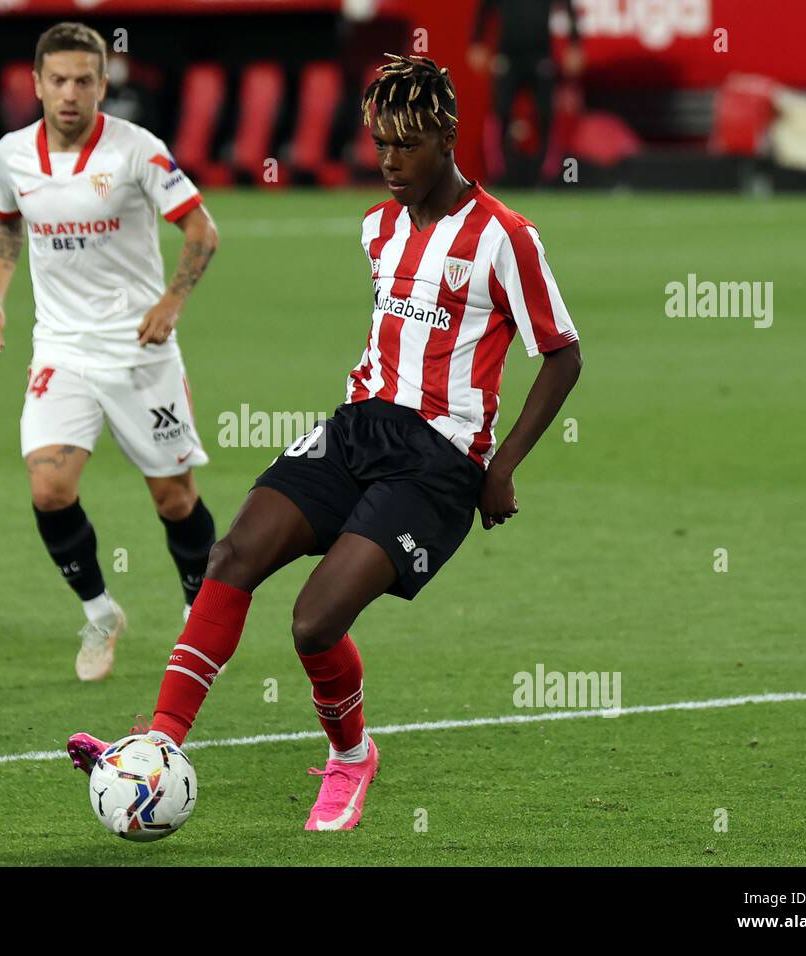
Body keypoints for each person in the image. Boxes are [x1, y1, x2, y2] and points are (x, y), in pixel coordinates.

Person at [67, 54, 583, 831]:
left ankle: (350, 758)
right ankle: (156, 746)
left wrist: (501, 466)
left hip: (439, 463)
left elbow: (563, 353)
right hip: (356, 429)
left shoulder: (506, 237)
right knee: (232, 555)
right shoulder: (377, 227)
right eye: (379, 144)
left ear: (446, 138)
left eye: (406, 145)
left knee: (313, 621)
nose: (389, 162)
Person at [0, 22, 221, 681]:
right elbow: (5, 224)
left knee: (173, 499)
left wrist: (172, 300)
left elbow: (202, 228)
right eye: (57, 80)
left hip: (141, 354)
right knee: (50, 488)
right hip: (62, 351)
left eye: (84, 80)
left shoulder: (137, 150)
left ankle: (202, 617)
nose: (70, 93)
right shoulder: (10, 156)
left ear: (102, 84)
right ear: (36, 84)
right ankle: (100, 612)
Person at [468, 0, 583, 186]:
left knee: (546, 114)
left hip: (541, 55)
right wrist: (477, 42)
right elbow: (484, 9)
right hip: (508, 55)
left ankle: (548, 176)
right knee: (500, 112)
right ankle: (498, 174)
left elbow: (569, 7)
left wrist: (574, 43)